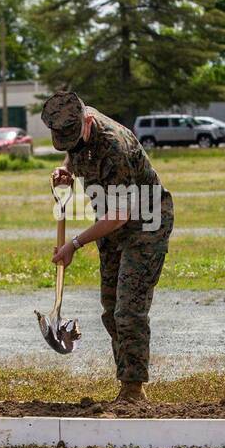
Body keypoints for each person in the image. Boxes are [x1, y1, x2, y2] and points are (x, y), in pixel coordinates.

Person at [42, 88, 173, 403]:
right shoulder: (75, 119)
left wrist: (74, 244)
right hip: (112, 228)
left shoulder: (114, 146)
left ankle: (132, 389)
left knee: (128, 310)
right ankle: (128, 379)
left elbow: (119, 215)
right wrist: (66, 169)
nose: (71, 146)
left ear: (86, 121)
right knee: (111, 308)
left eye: (73, 140)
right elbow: (75, 151)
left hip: (145, 226)